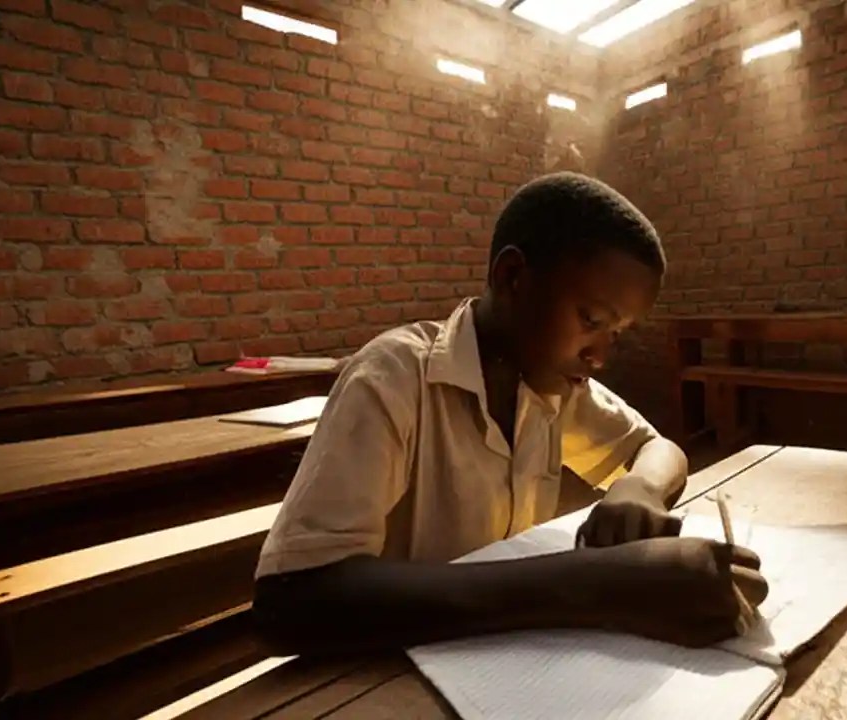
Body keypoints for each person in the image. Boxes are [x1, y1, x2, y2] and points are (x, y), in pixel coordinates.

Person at [252, 172, 767, 656]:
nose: (600, 356)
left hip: (506, 655)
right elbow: (293, 600)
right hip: (388, 669)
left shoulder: (553, 388)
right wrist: (598, 582)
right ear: (513, 276)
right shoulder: (394, 377)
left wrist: (640, 488)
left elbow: (658, 449)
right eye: (591, 320)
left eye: (616, 333)